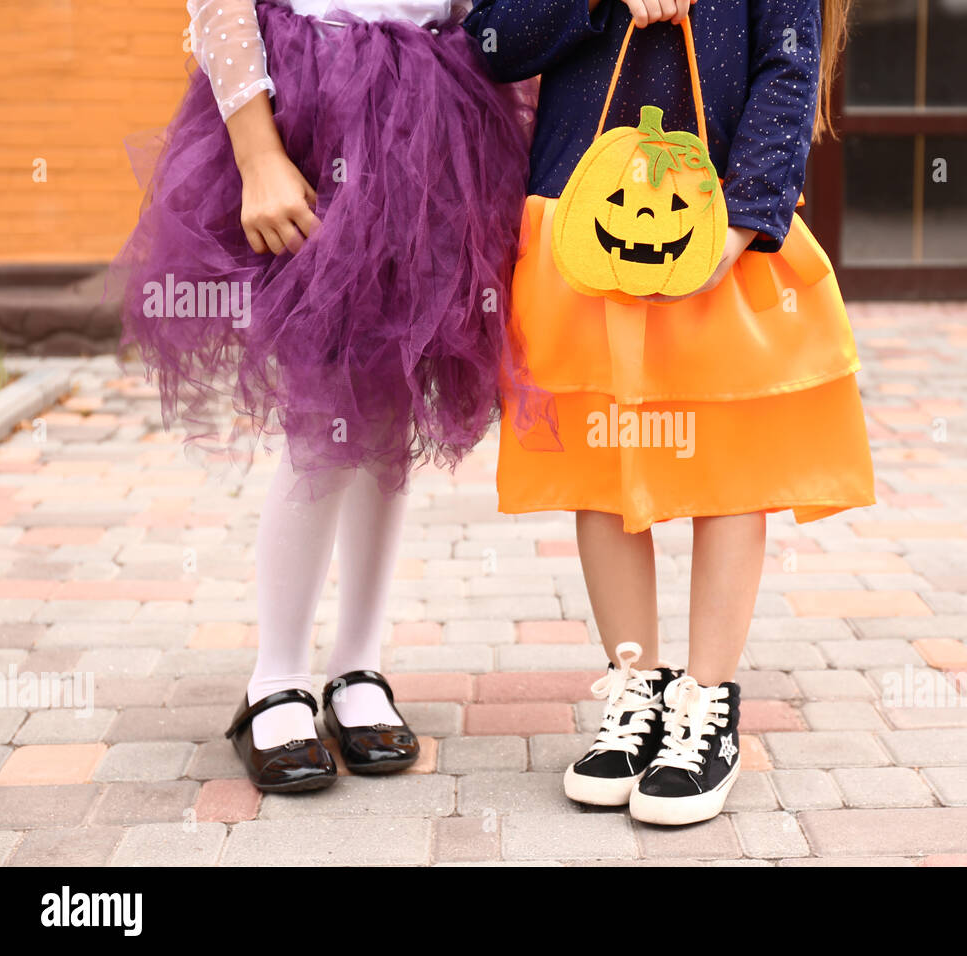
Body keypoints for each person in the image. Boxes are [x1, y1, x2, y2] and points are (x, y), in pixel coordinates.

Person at [465, 0, 873, 824]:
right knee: (603, 463)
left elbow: (787, 66)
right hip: (581, 224)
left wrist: (747, 219)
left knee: (728, 465)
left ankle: (707, 706)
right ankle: (636, 692)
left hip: (713, 224)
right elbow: (496, 41)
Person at [116, 0, 538, 791]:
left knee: (387, 405)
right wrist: (258, 154)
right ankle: (274, 676)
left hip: (432, 120)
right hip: (305, 110)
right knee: (325, 410)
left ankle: (358, 663)